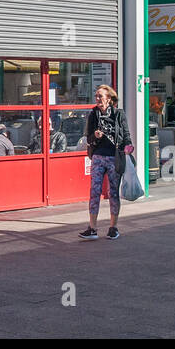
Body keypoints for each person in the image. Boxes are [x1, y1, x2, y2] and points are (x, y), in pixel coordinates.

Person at [79, 84, 132, 240]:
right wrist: (95, 135)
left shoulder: (118, 114)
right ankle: (92, 228)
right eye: (96, 96)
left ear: (109, 98)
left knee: (113, 192)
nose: (97, 99)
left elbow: (126, 135)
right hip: (98, 157)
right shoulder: (93, 114)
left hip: (114, 157)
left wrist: (129, 146)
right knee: (94, 191)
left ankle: (113, 227)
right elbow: (87, 138)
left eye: (100, 96)